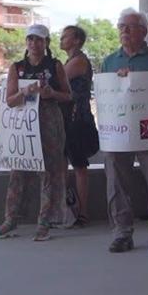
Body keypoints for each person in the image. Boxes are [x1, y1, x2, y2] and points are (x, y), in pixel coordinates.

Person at [102, 8, 148, 254]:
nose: (123, 30)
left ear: (143, 32)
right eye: (121, 25)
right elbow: (105, 95)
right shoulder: (109, 61)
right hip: (119, 129)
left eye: (130, 26)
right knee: (116, 180)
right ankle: (122, 232)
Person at [0, 25, 71, 242]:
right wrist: (24, 92)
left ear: (46, 43)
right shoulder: (17, 67)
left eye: (39, 40)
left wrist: (51, 92)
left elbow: (67, 95)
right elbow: (9, 100)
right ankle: (11, 218)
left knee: (50, 172)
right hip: (23, 123)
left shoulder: (55, 66)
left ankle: (45, 221)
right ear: (26, 43)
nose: (34, 44)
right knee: (18, 171)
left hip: (49, 120)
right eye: (30, 40)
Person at [59, 24, 100, 228]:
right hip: (74, 118)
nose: (61, 39)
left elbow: (59, 81)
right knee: (74, 165)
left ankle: (82, 212)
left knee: (79, 166)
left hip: (76, 120)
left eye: (65, 36)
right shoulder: (75, 60)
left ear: (76, 40)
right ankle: (73, 210)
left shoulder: (77, 62)